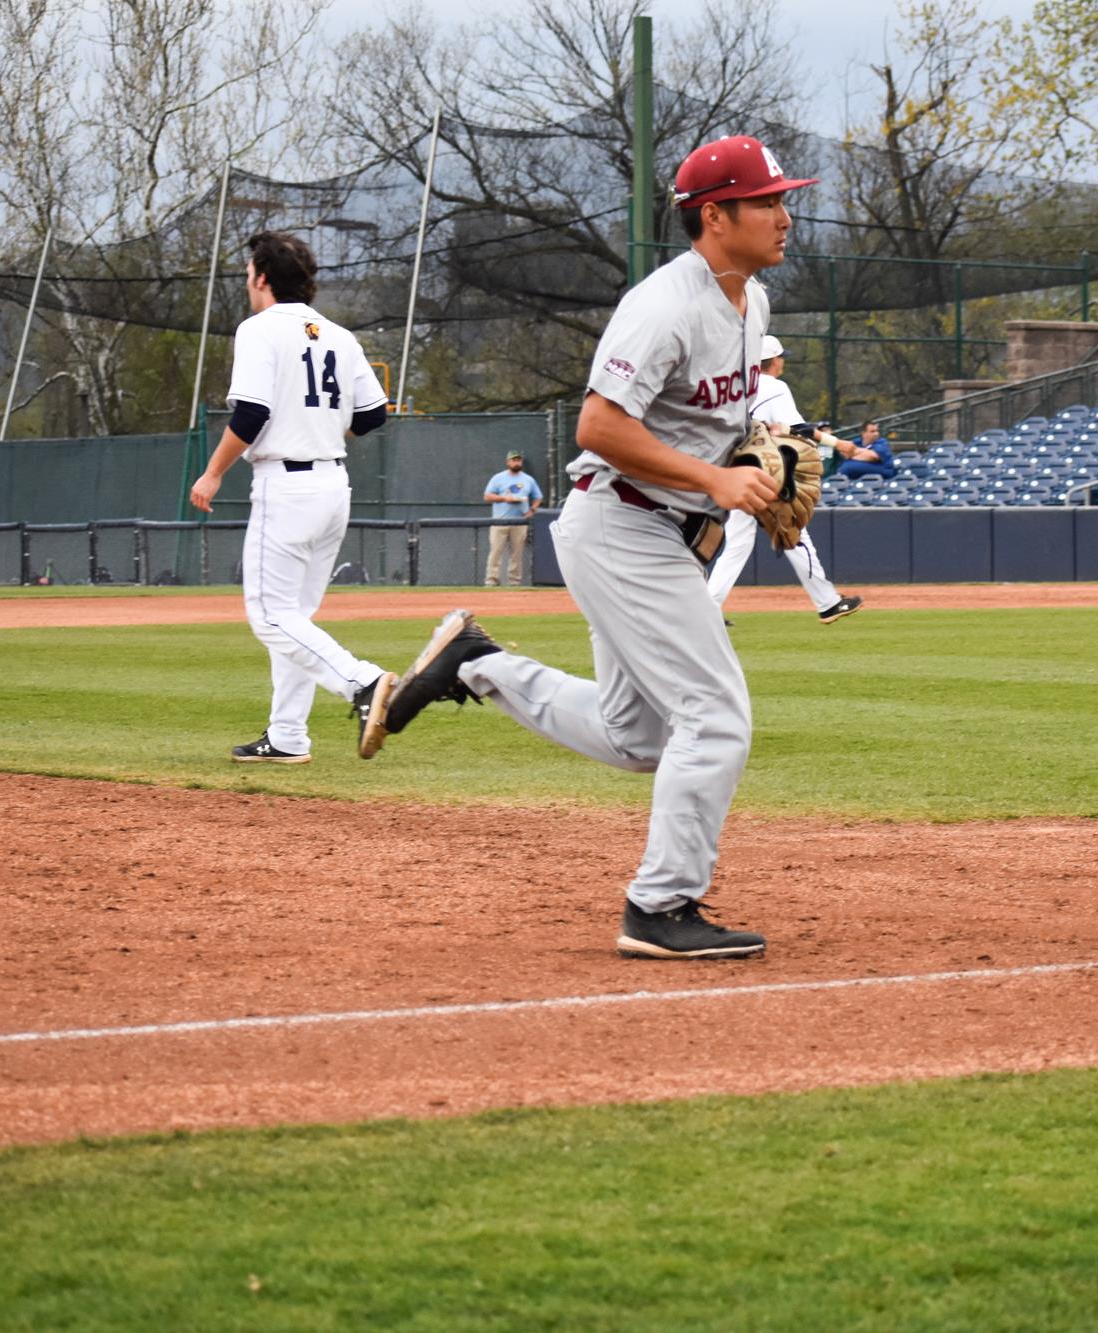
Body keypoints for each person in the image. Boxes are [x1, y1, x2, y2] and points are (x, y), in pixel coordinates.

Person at [375, 134, 812, 960]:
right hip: (622, 524)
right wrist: (714, 482)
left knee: (634, 736)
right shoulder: (664, 305)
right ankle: (659, 905)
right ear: (715, 217)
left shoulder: (750, 302)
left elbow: (706, 419)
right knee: (715, 715)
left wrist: (750, 465)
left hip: (661, 530)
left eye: (782, 199)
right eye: (766, 201)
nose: (784, 215)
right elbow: (599, 425)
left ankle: (476, 663)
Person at [188, 230, 399, 765]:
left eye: (248, 273)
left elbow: (251, 414)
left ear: (262, 277)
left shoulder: (259, 329)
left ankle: (363, 682)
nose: (247, 282)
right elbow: (374, 413)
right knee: (294, 618)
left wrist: (212, 473)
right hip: (332, 485)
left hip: (287, 488)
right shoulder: (339, 336)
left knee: (269, 615)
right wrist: (321, 430)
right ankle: (287, 736)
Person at [705, 333, 862, 624]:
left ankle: (708, 608)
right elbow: (799, 429)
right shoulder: (775, 387)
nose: (782, 362)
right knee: (794, 533)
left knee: (738, 543)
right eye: (780, 358)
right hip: (766, 470)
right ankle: (828, 603)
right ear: (773, 361)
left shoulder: (735, 386)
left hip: (733, 468)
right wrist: (837, 443)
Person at [481, 450, 543, 586]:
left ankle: (514, 582)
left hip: (519, 521)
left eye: (518, 460)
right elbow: (487, 496)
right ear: (508, 462)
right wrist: (505, 498)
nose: (516, 463)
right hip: (500, 520)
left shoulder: (528, 479)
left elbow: (538, 497)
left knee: (516, 554)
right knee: (495, 552)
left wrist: (532, 509)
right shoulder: (498, 478)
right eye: (513, 460)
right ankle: (491, 581)